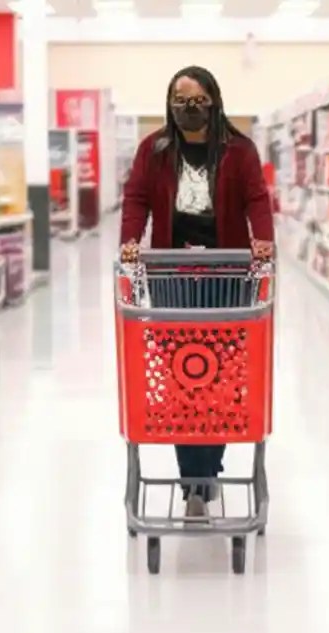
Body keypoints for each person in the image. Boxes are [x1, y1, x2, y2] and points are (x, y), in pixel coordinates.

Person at [119, 65, 274, 518]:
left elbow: (256, 199)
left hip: (226, 275)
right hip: (172, 276)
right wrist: (131, 242)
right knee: (181, 374)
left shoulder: (238, 151)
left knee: (219, 375)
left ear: (214, 101)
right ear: (169, 105)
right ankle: (194, 480)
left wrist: (262, 241)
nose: (188, 109)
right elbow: (137, 199)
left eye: (197, 100)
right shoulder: (154, 150)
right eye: (179, 100)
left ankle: (209, 471)